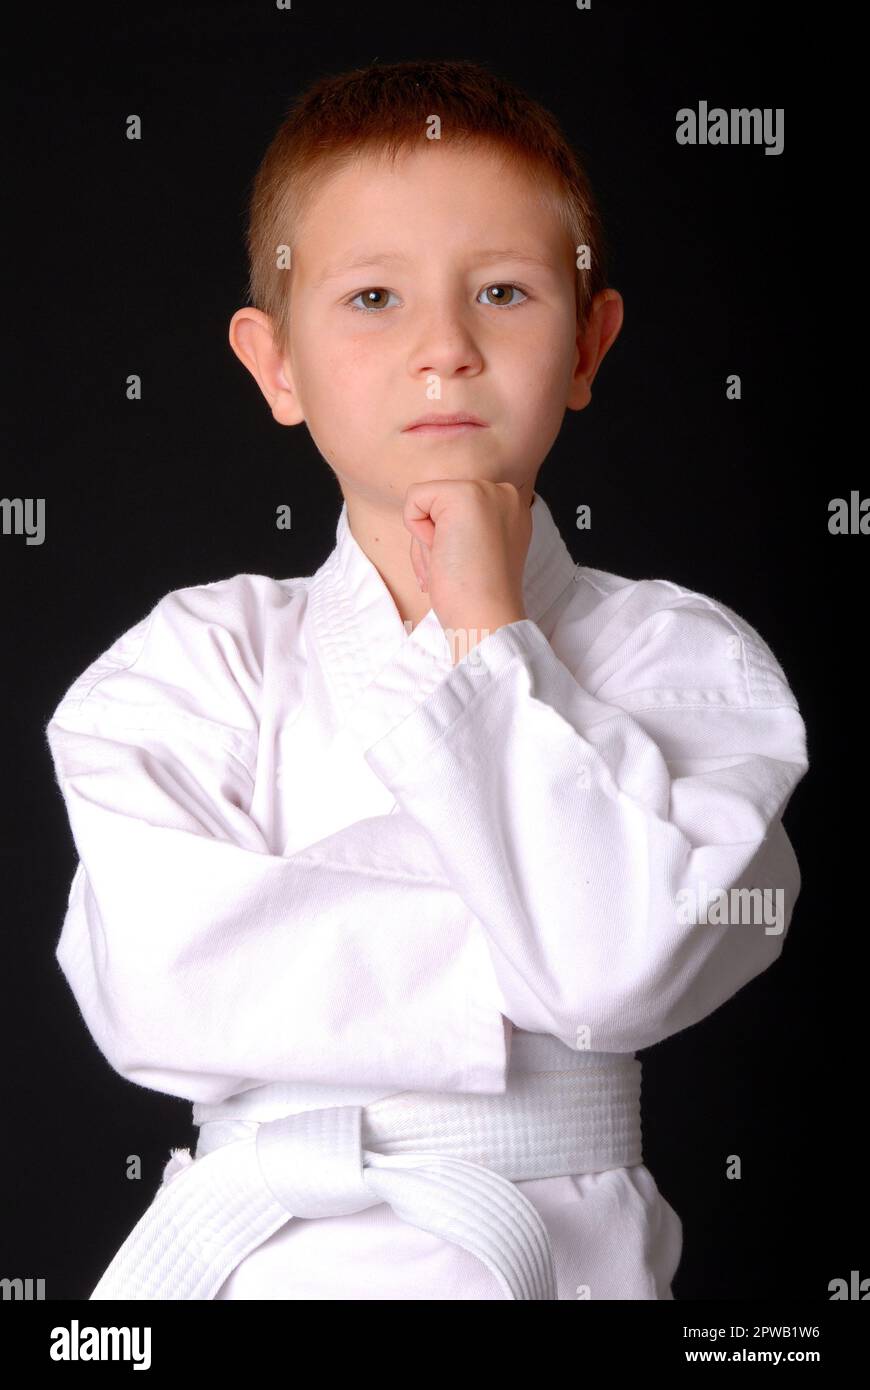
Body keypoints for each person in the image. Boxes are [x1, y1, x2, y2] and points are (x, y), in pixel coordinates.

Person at [45, 59, 808, 1300]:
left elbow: (621, 967)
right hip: (244, 1265)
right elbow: (151, 987)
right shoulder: (196, 657)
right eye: (373, 298)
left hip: (556, 1263)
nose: (444, 351)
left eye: (503, 292)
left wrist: (490, 634)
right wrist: (527, 939)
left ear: (588, 341)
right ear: (276, 364)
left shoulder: (684, 656)